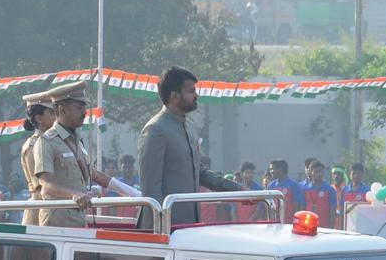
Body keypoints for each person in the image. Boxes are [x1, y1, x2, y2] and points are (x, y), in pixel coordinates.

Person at [137, 67, 236, 228]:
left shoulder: (189, 126)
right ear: (175, 96)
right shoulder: (155, 130)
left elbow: (199, 172)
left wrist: (238, 191)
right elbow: (150, 189)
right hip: (164, 229)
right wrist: (163, 224)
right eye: (191, 91)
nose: (196, 95)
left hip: (189, 225)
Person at [32, 81, 130, 227]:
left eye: (84, 107)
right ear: (62, 110)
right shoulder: (46, 142)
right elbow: (46, 183)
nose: (84, 113)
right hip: (57, 221)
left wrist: (130, 192)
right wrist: (74, 194)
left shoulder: (77, 141)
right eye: (79, 107)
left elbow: (90, 173)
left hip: (78, 218)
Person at [18, 90, 57, 226]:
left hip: (52, 207)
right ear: (39, 118)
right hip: (39, 209)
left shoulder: (51, 141)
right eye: (52, 112)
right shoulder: (33, 145)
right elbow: (41, 186)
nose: (57, 116)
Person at [302, 161, 338, 229]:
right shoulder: (305, 189)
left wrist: (331, 228)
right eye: (316, 171)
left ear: (323, 172)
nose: (318, 174)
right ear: (311, 172)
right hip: (308, 226)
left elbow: (333, 211)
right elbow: (302, 209)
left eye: (320, 171)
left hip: (324, 227)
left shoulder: (330, 190)